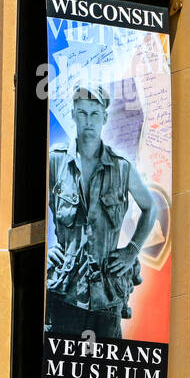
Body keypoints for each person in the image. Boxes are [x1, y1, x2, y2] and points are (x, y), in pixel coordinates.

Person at [46, 86, 156, 341]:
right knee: (62, 373)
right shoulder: (55, 162)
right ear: (73, 115)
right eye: (82, 113)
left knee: (107, 372)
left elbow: (150, 207)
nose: (88, 121)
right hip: (65, 288)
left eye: (95, 114)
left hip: (107, 293)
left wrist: (132, 249)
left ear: (105, 118)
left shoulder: (121, 168)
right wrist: (43, 250)